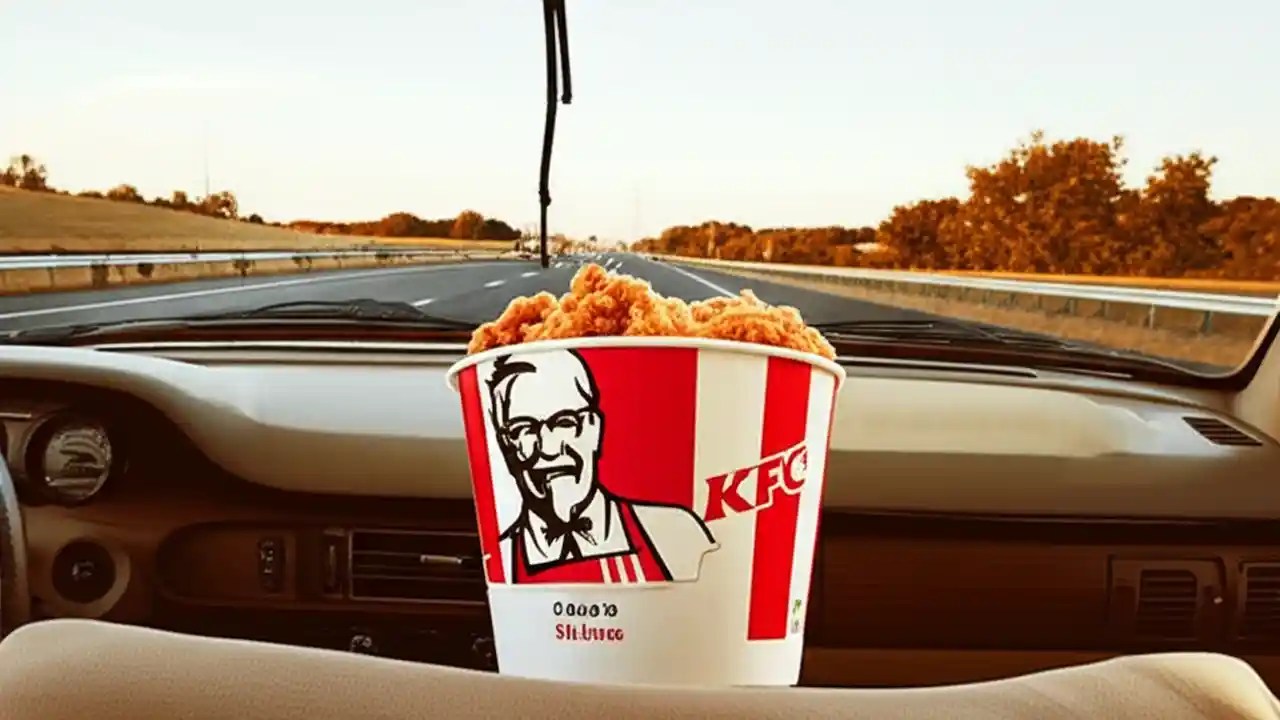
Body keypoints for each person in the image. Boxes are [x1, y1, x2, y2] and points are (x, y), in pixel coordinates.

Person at [485, 349, 717, 584]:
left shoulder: (672, 532)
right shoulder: (499, 557)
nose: (549, 448)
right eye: (523, 429)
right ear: (505, 446)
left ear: (594, 428)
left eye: (565, 422)